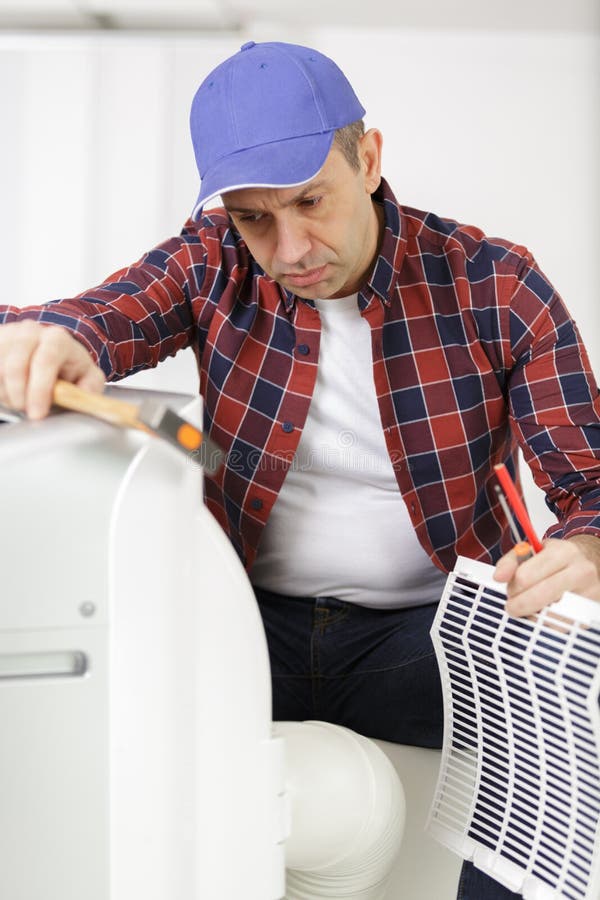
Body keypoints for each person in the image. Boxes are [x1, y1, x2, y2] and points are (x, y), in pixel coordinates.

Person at [1, 40, 599, 898]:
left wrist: (589, 553)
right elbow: (85, 321)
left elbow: (592, 490)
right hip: (248, 626)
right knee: (81, 714)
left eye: (311, 201)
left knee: (564, 711)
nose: (289, 248)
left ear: (370, 159)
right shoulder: (214, 259)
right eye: (255, 219)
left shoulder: (495, 285)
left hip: (427, 636)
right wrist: (42, 341)